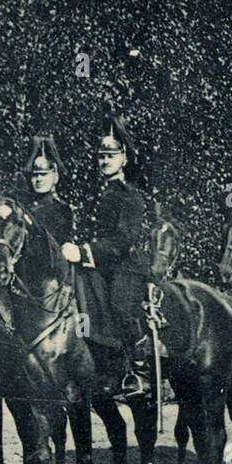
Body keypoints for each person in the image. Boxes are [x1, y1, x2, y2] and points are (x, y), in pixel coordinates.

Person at [61, 113, 153, 398]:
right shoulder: (98, 194)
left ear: (124, 158)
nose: (104, 160)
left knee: (120, 304)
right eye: (101, 155)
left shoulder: (130, 196)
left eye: (111, 155)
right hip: (97, 264)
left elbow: (124, 240)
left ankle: (137, 372)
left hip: (125, 266)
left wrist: (84, 251)